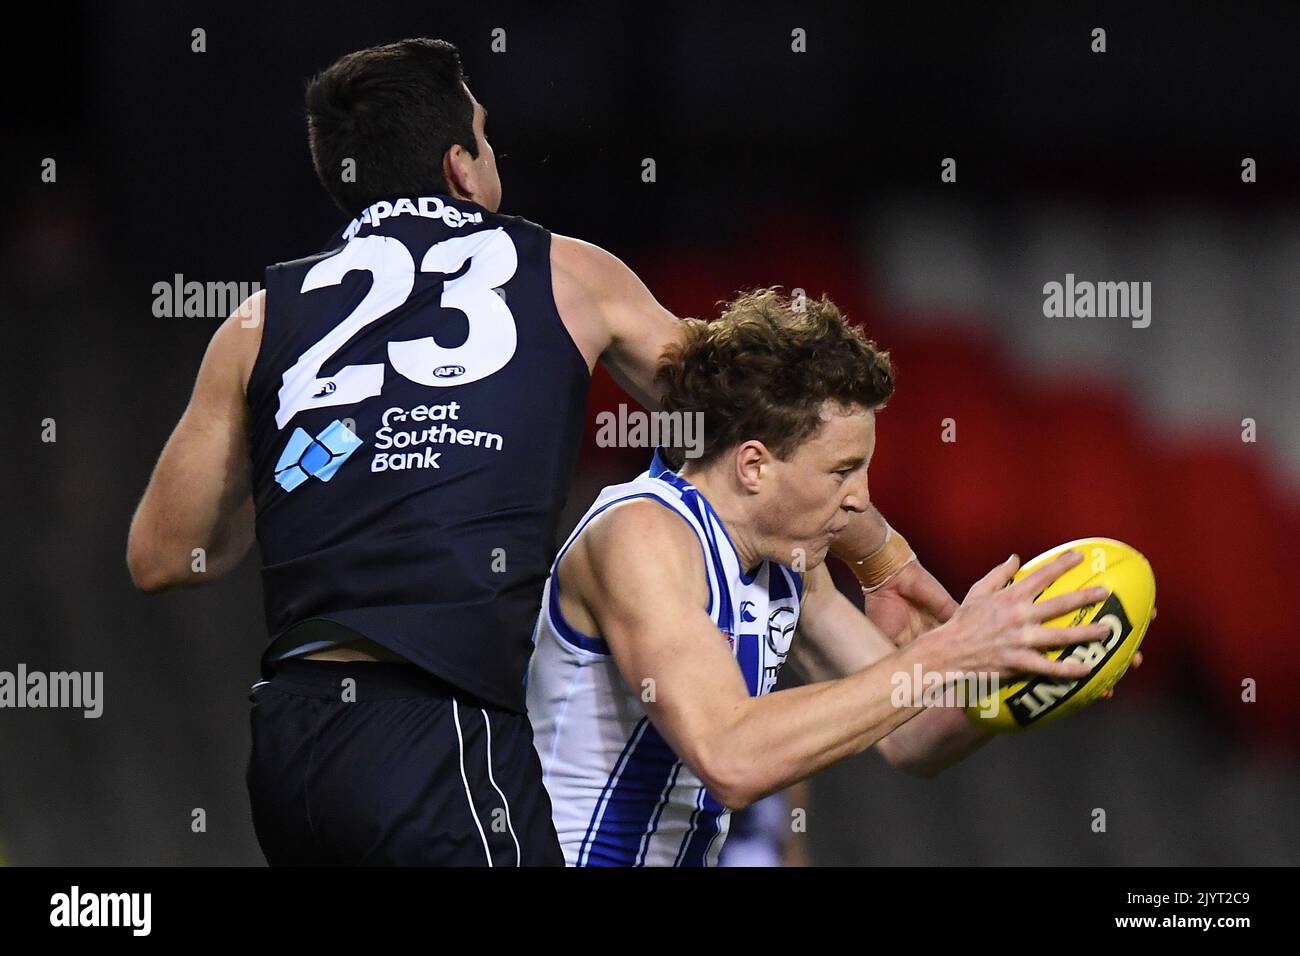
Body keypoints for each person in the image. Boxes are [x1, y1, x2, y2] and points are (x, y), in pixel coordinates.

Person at [125, 38, 955, 866]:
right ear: (460, 167)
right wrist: (878, 555)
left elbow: (165, 556)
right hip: (439, 732)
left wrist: (319, 469)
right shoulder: (566, 273)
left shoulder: (257, 320)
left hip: (293, 744)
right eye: (487, 139)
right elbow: (755, 415)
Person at [526, 290, 1117, 866]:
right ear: (754, 464)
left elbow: (912, 736)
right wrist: (951, 648)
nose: (860, 500)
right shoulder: (641, 536)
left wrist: (1026, 670)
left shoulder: (791, 567)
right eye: (842, 471)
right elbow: (729, 756)